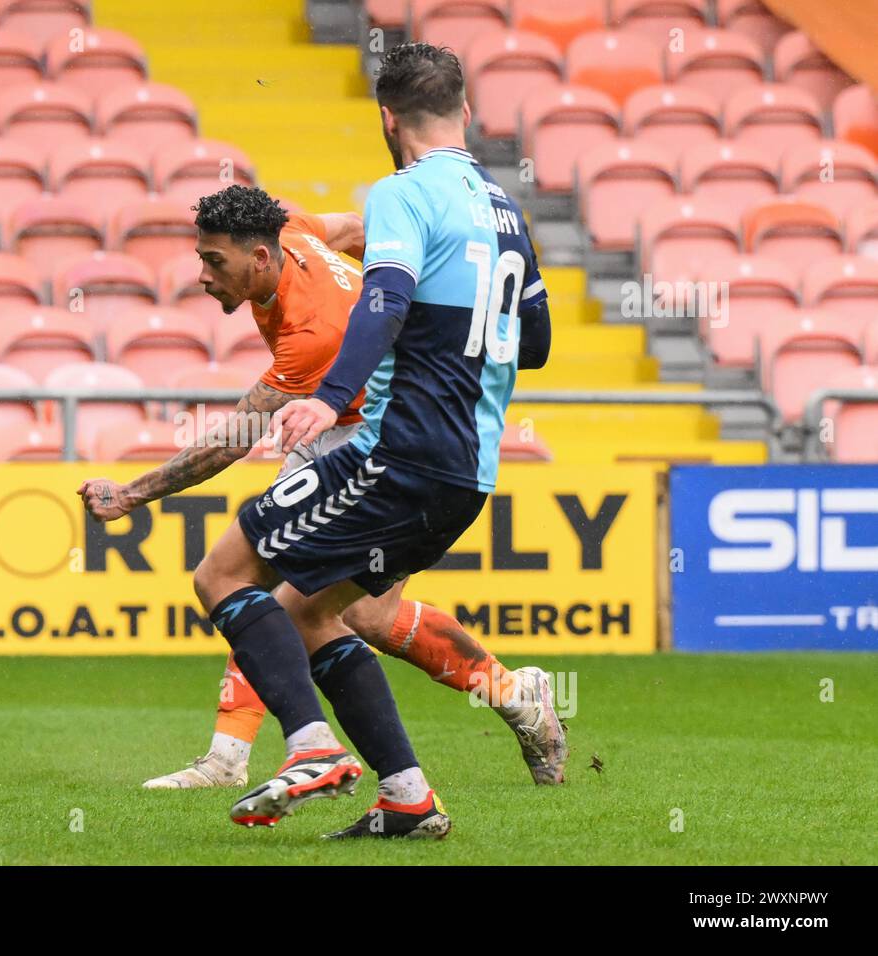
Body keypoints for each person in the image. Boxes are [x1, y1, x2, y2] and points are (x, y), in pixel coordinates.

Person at [77, 186, 566, 796]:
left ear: (259, 256)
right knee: (356, 613)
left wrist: (131, 494)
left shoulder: (312, 335)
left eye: (215, 262)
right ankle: (511, 696)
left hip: (365, 437)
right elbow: (358, 229)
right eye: (201, 259)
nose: (202, 276)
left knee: (260, 580)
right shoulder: (295, 231)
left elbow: (232, 440)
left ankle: (250, 754)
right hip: (350, 427)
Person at [188, 41, 557, 838]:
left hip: (396, 451)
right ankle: (408, 800)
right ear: (464, 110)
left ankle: (312, 746)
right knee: (315, 611)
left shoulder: (401, 192)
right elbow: (537, 341)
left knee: (222, 573)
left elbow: (385, 300)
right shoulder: (503, 209)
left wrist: (326, 399)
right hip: (468, 472)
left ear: (388, 119)